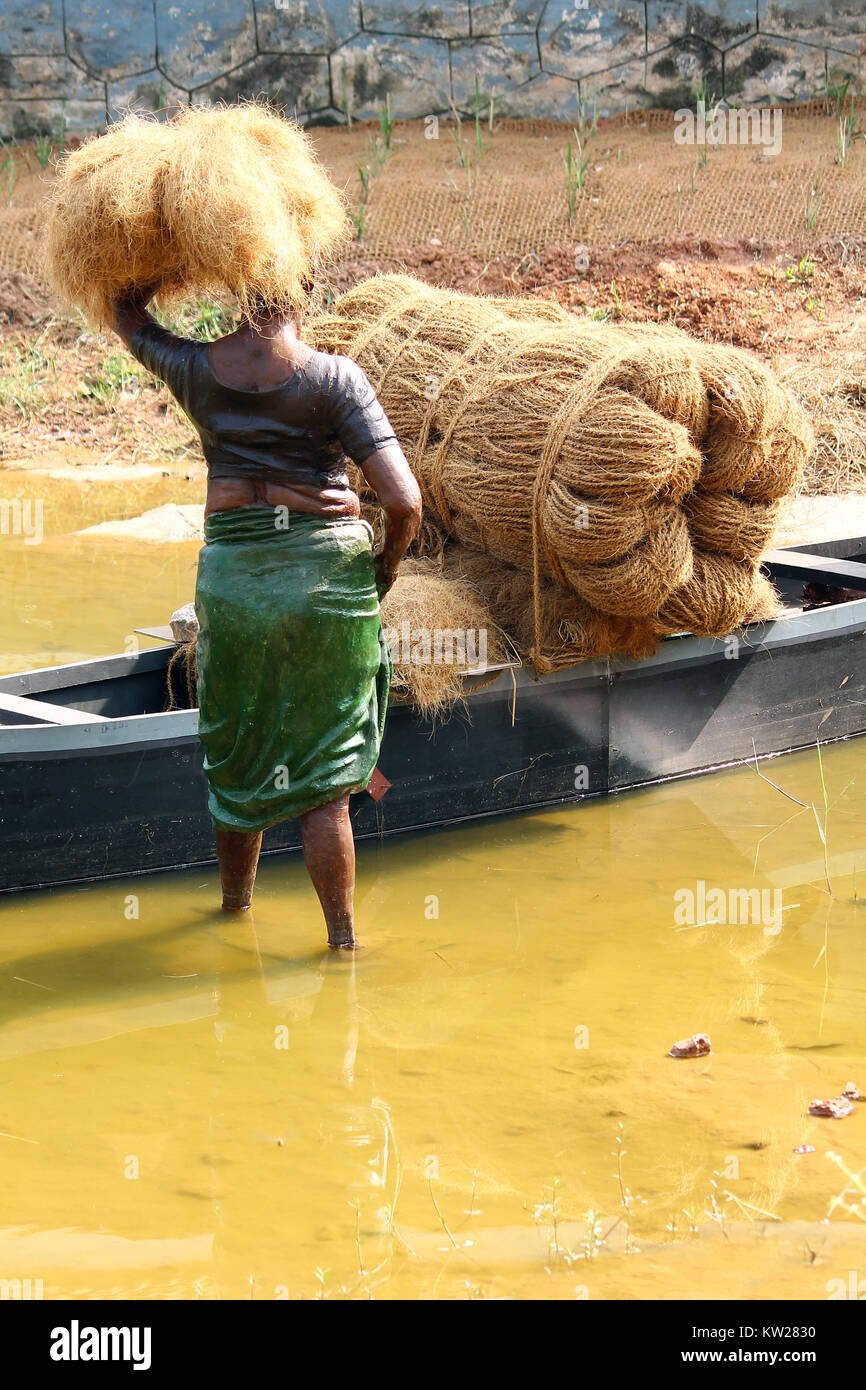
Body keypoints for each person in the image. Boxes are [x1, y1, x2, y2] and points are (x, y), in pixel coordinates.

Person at [111, 286, 422, 950]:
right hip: (322, 585)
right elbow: (403, 502)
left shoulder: (193, 368)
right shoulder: (335, 378)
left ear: (232, 284)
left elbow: (126, 316)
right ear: (303, 292)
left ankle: (233, 913)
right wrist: (385, 569)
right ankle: (341, 944)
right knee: (325, 782)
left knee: (237, 754)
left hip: (235, 585)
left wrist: (160, 262)